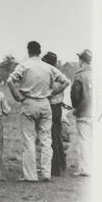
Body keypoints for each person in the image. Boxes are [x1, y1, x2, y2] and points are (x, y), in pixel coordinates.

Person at [7, 41, 70, 182]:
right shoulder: (47, 67)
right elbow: (65, 81)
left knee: (29, 139)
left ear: (29, 51)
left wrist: (17, 96)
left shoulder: (24, 65)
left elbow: (10, 80)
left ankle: (30, 176)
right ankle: (47, 173)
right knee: (46, 139)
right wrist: (53, 93)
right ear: (40, 51)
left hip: (29, 102)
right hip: (45, 102)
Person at [42, 51, 69, 176]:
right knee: (57, 136)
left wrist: (51, 93)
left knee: (52, 138)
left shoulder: (50, 75)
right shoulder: (59, 75)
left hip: (51, 107)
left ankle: (55, 168)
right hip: (58, 107)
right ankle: (61, 163)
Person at [71, 48, 92, 177]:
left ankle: (84, 168)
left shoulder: (80, 75)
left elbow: (75, 95)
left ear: (81, 60)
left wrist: (76, 108)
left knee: (84, 141)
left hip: (83, 112)